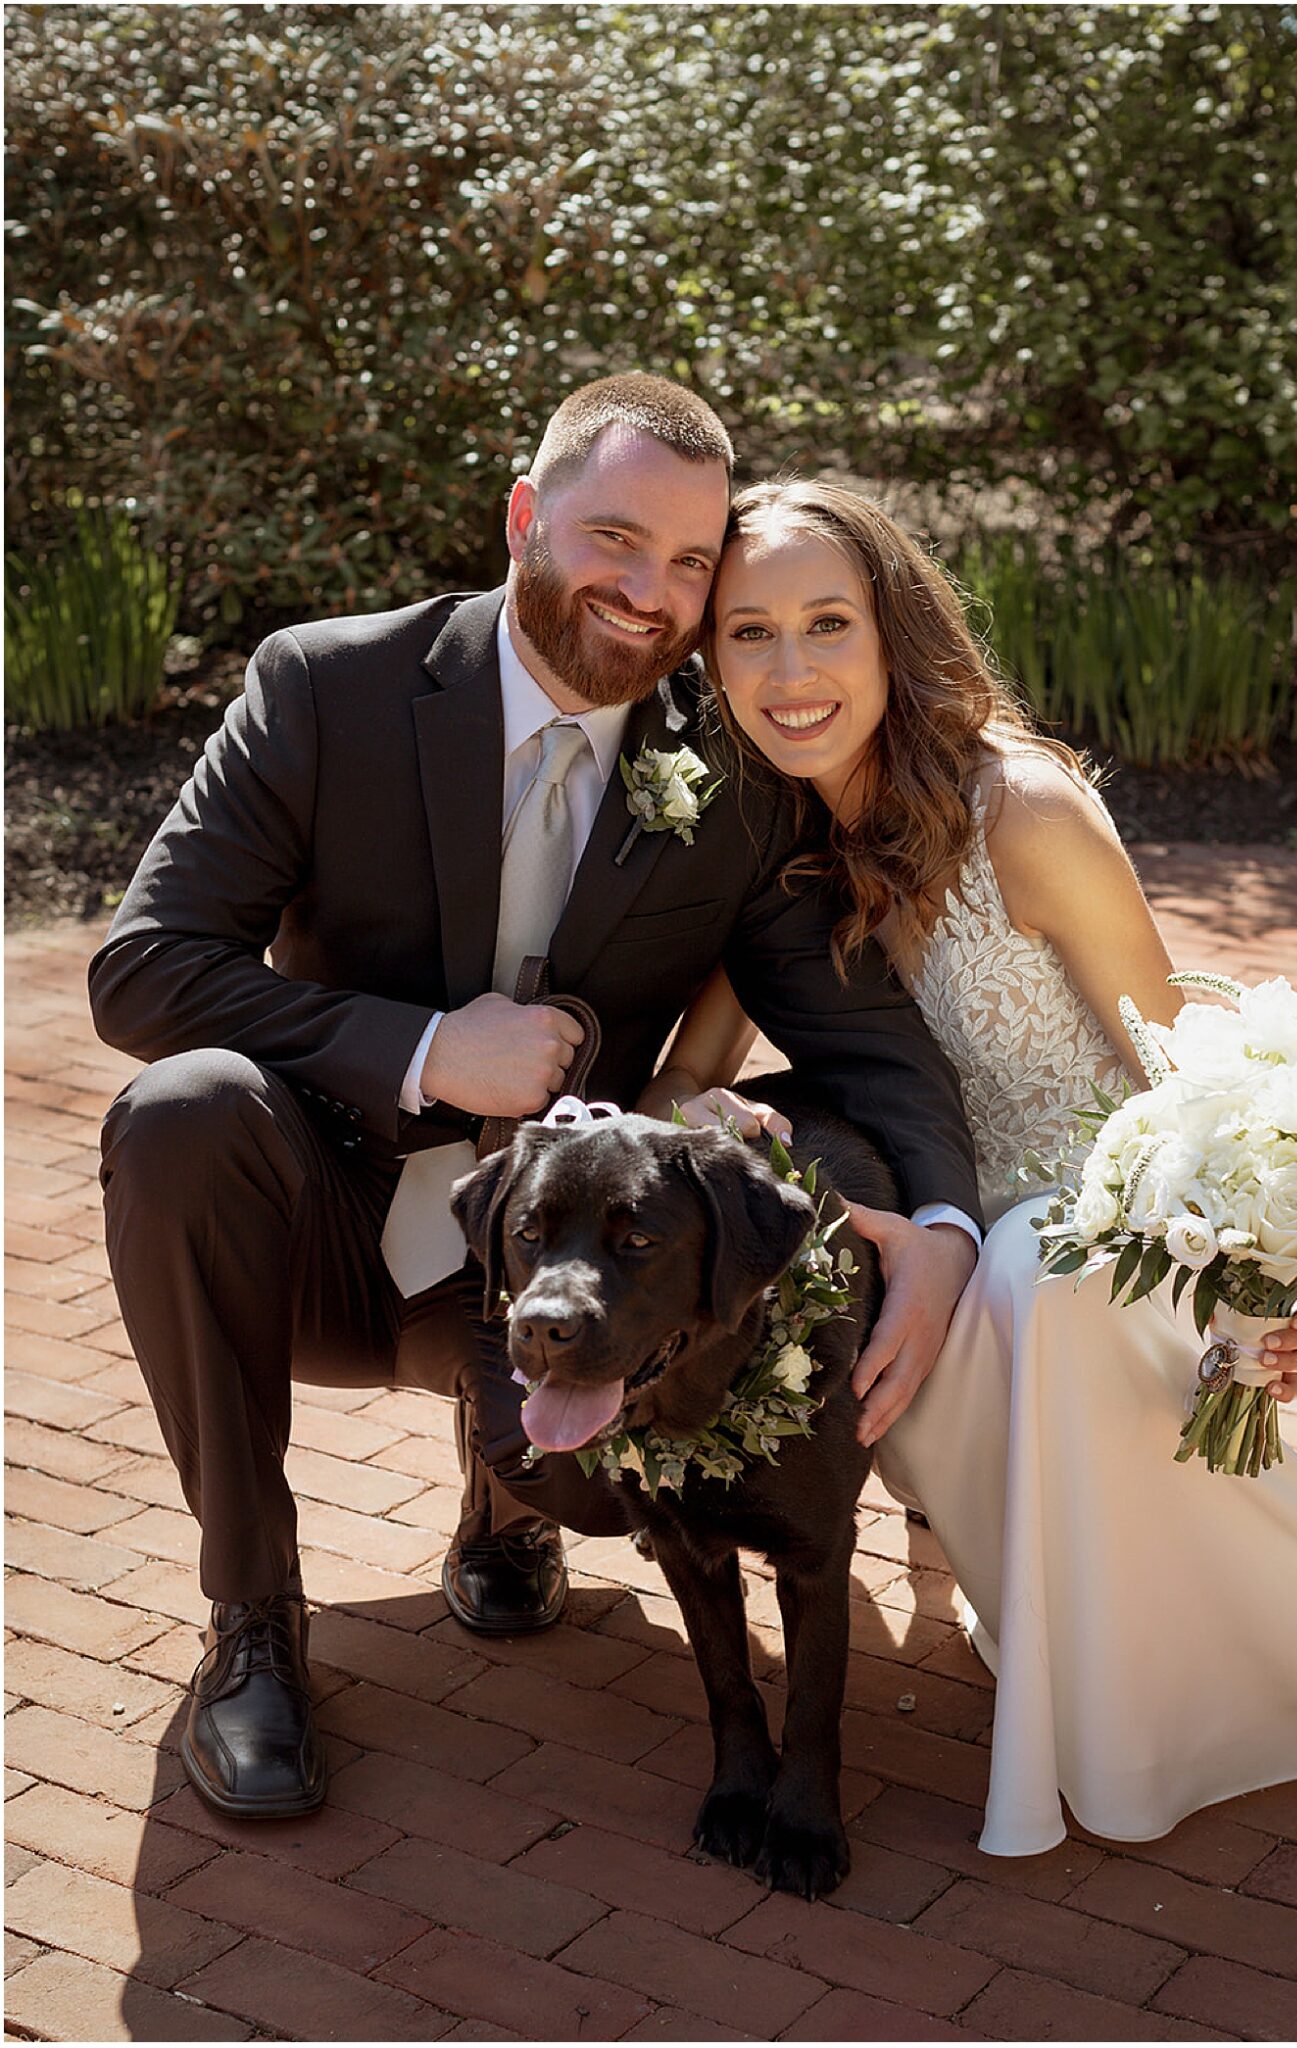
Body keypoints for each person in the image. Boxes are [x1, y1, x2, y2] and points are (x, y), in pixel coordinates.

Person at [90, 381, 983, 1822]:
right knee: (180, 1111)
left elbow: (862, 1035)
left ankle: (507, 1500)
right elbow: (142, 971)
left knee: (593, 1486)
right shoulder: (329, 687)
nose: (649, 595)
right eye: (614, 540)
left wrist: (937, 1224)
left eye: (691, 563)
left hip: (565, 1276)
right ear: (525, 516)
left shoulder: (731, 771)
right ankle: (251, 1619)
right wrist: (432, 1049)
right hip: (328, 1225)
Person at [649, 477, 1297, 1855]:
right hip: (936, 1237)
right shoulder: (768, 848)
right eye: (750, 634)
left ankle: (1154, 1702)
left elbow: (1183, 1076)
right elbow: (682, 1075)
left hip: (1108, 1220)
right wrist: (711, 1124)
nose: (792, 673)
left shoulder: (1019, 807)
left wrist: (1248, 1300)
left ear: (892, 632)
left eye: (827, 624)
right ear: (710, 662)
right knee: (957, 1277)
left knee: (1047, 1278)